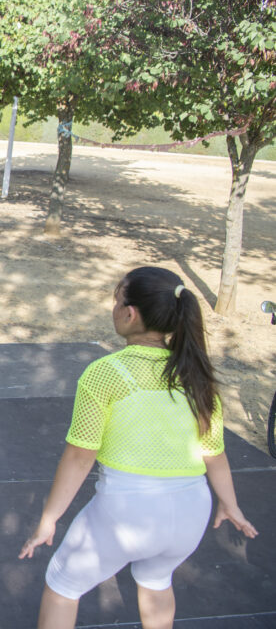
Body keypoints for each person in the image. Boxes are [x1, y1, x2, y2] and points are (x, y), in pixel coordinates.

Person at [19, 267, 258, 629]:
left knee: (63, 585)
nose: (114, 308)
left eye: (117, 301)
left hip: (127, 509)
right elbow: (214, 452)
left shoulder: (106, 372)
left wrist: (48, 519)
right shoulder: (197, 375)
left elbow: (81, 455)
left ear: (130, 314)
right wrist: (230, 504)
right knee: (157, 582)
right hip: (191, 511)